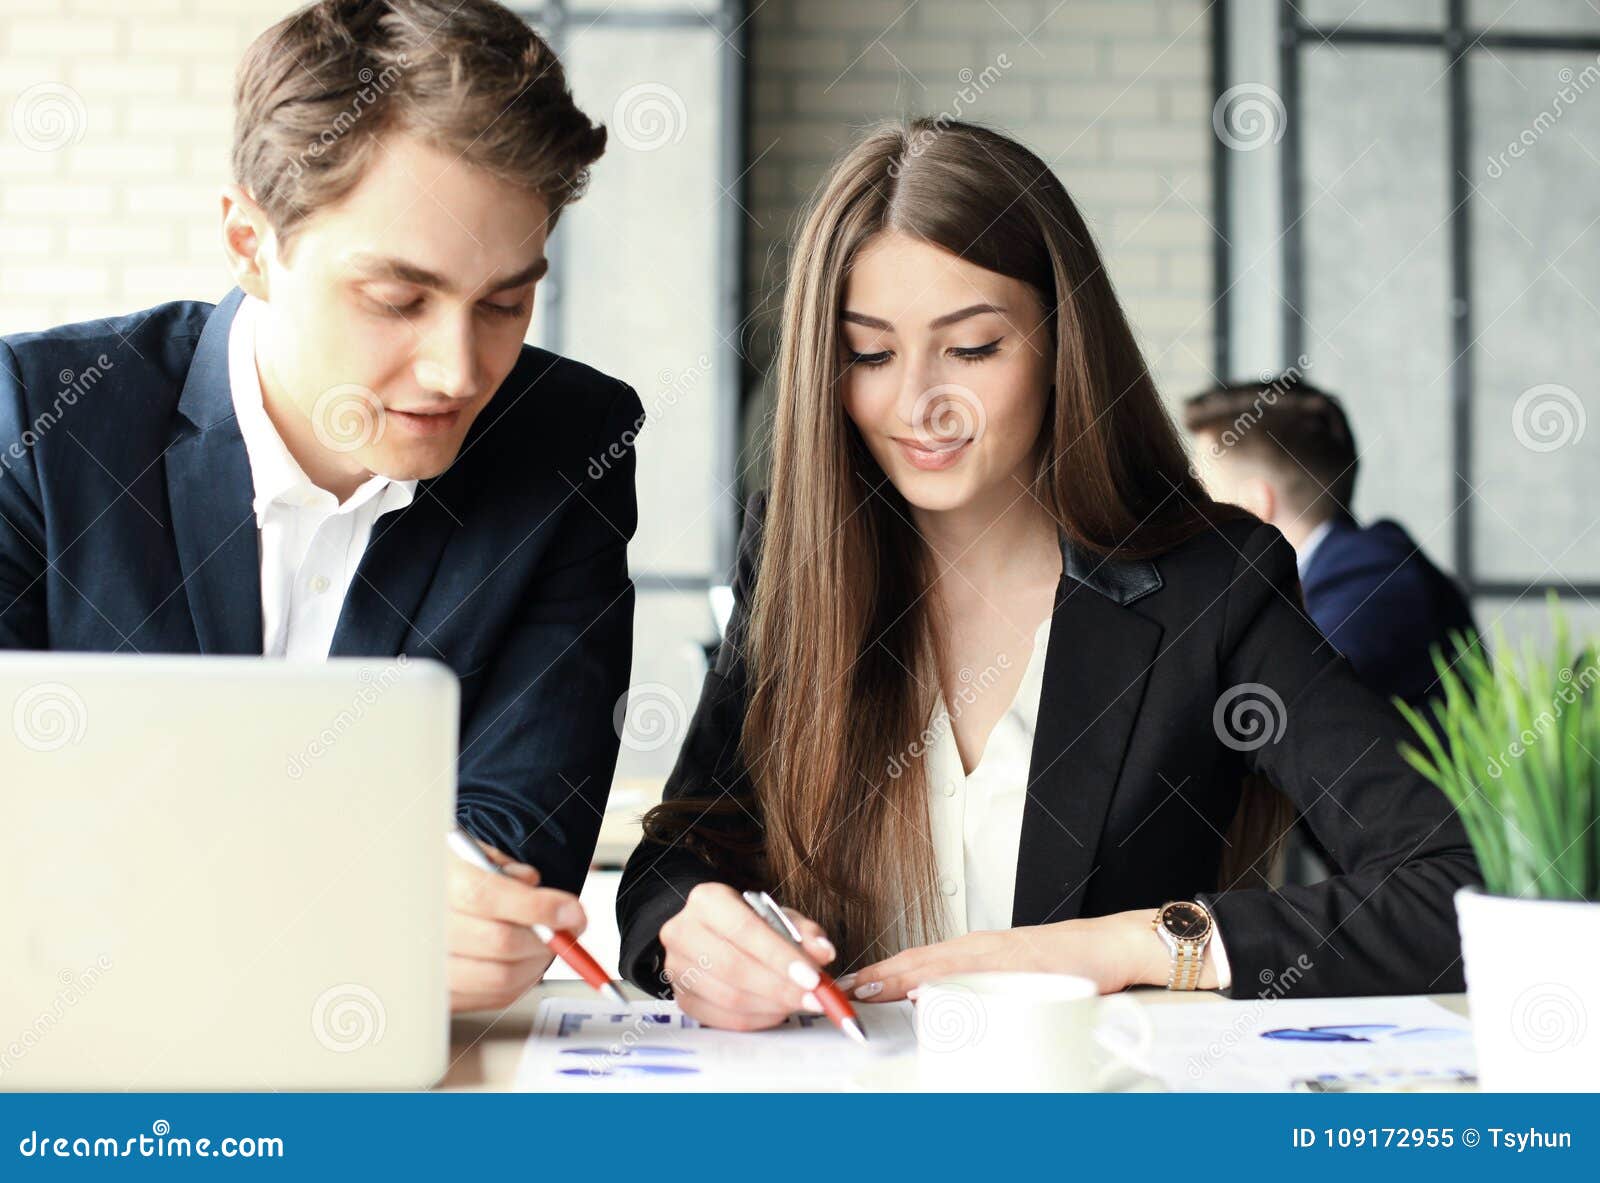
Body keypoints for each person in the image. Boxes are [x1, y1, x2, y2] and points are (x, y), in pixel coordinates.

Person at [615, 118, 1479, 1029]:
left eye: (973, 348)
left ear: (1064, 341)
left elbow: (1450, 887)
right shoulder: (796, 562)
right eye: (869, 354)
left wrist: (1114, 947)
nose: (918, 404)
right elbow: (679, 854)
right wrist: (690, 929)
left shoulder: (1210, 581)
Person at [0, 0, 639, 1013]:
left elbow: (515, 855)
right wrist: (349, 907)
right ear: (251, 242)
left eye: (506, 302)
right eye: (397, 299)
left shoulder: (569, 448)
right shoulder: (40, 425)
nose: (457, 368)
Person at [1184, 378, 1479, 711]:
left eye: (1203, 497)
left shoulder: (1372, 577)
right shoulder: (1350, 570)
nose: (1194, 516)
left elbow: (1273, 708)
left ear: (1253, 504)